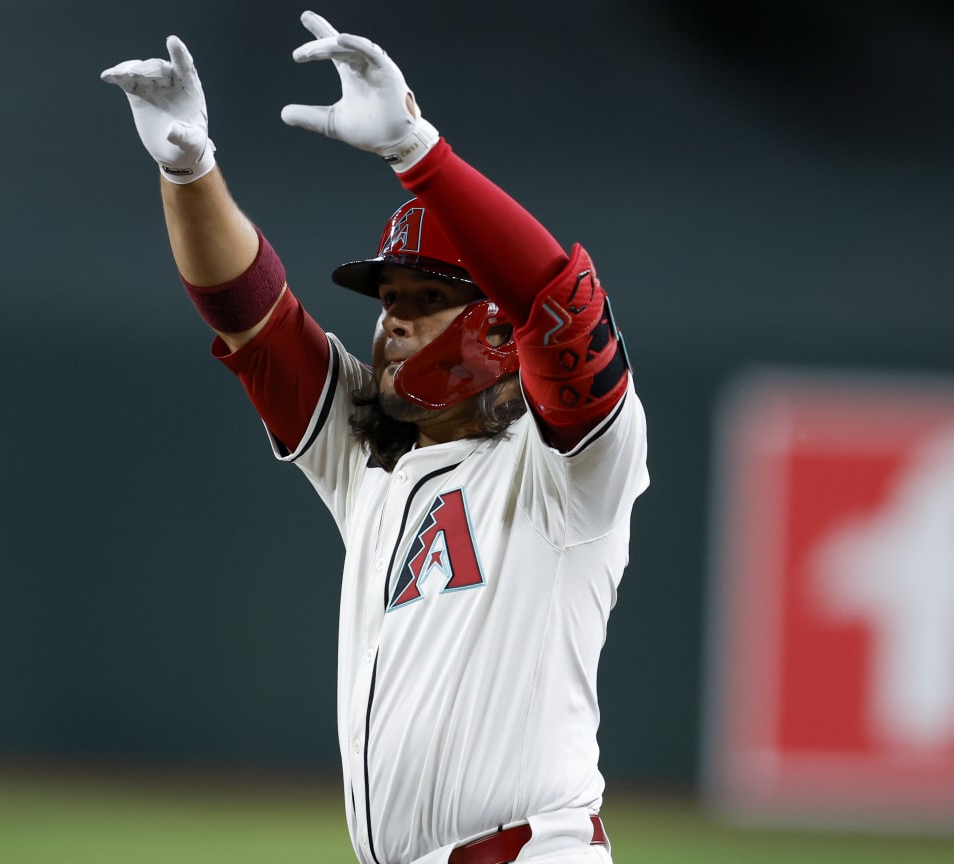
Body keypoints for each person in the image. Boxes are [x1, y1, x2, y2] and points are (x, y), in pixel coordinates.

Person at [102, 11, 649, 864]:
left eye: (424, 301)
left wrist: (420, 155)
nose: (390, 322)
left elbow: (560, 304)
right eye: (387, 300)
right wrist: (189, 167)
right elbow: (254, 319)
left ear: (501, 334)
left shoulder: (567, 471)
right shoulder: (368, 458)